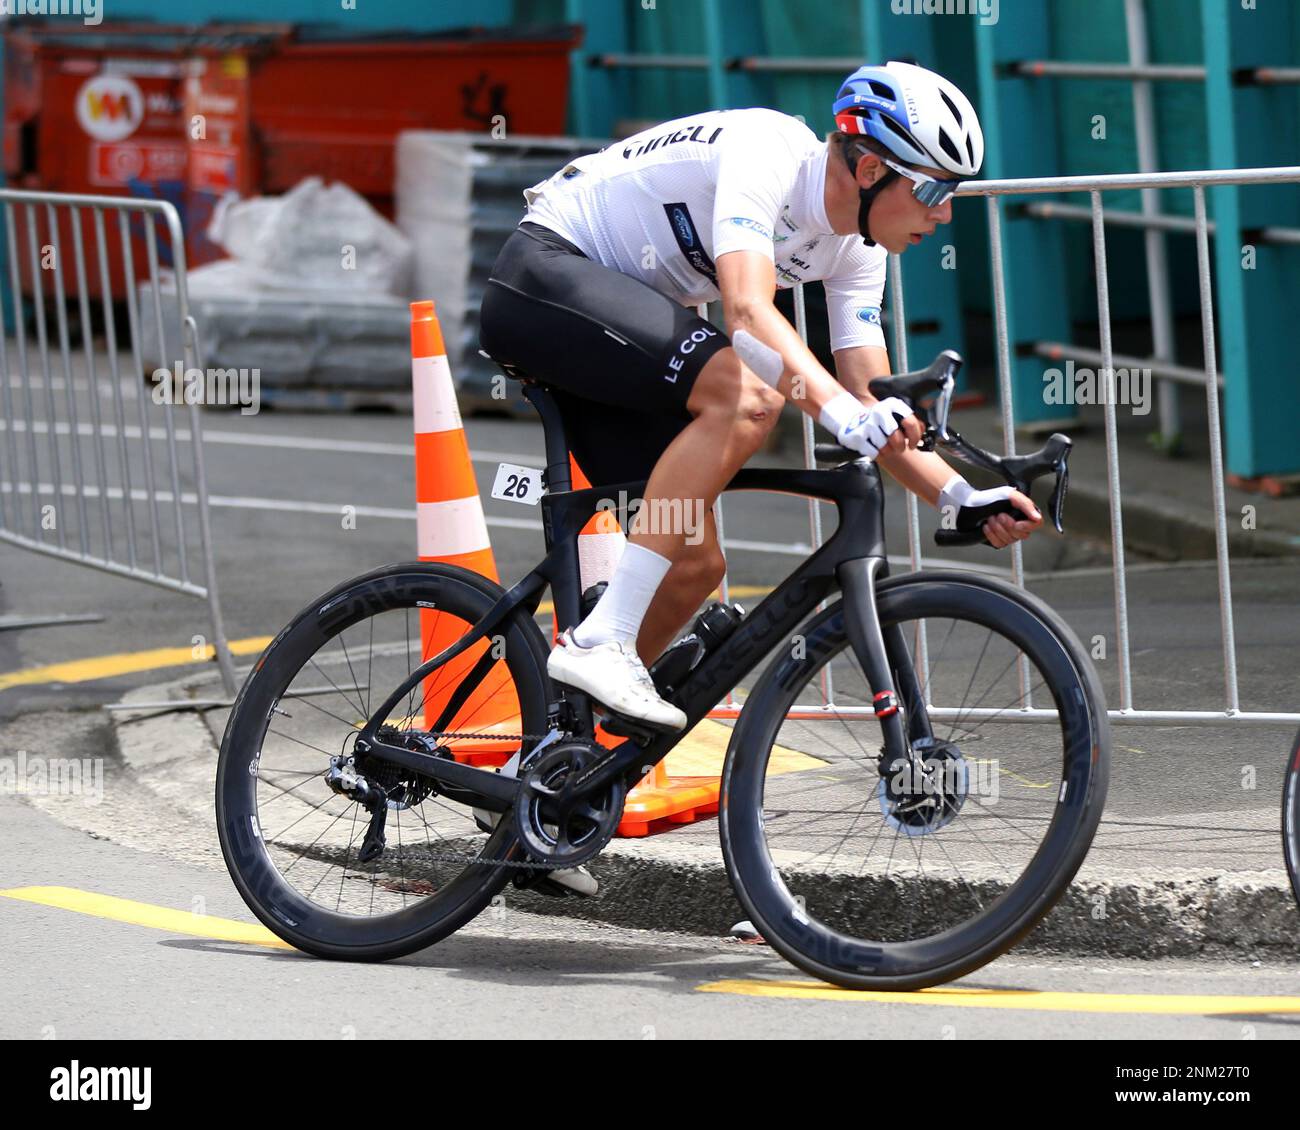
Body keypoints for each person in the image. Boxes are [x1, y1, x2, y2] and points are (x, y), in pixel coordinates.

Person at [479, 59, 1043, 742]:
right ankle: (602, 641)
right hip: (545, 277)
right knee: (748, 397)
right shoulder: (767, 151)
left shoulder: (858, 249)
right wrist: (841, 415)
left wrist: (960, 495)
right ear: (870, 170)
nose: (944, 212)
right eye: (932, 189)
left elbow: (873, 399)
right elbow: (746, 313)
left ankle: (553, 754)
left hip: (622, 334)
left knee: (692, 569)